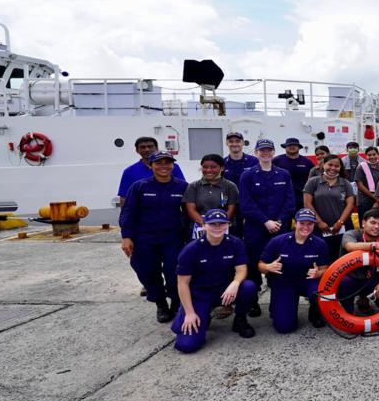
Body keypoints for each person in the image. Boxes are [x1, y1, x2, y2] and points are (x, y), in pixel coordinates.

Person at [171, 209, 261, 351]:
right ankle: (187, 313)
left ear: (227, 225)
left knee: (249, 287)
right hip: (200, 295)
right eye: (213, 224)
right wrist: (189, 313)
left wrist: (235, 283)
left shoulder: (235, 243)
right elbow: (182, 283)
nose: (217, 228)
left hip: (224, 292)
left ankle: (240, 320)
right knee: (187, 345)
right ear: (204, 225)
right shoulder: (191, 249)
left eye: (221, 224)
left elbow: (241, 269)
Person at [120, 150, 192, 323]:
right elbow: (128, 212)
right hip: (144, 238)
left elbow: (189, 214)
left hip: (173, 237)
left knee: (174, 271)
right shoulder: (139, 187)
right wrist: (126, 236)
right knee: (147, 270)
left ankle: (176, 302)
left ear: (173, 165)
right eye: (159, 163)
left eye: (168, 163)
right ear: (151, 165)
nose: (164, 166)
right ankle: (160, 303)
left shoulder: (182, 187)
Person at [238, 139, 298, 303]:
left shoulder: (283, 174)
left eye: (269, 150)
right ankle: (252, 301)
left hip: (280, 228)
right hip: (255, 229)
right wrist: (265, 221)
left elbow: (289, 202)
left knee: (280, 262)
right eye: (262, 150)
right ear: (256, 153)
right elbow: (246, 204)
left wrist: (278, 221)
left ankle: (279, 297)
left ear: (273, 152)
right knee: (254, 264)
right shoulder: (247, 175)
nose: (265, 153)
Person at [258, 210, 331, 333]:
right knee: (284, 327)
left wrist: (318, 273)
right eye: (302, 223)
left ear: (314, 225)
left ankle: (315, 311)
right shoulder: (278, 241)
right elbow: (260, 265)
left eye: (310, 224)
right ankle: (278, 306)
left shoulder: (320, 243)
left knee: (320, 292)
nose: (306, 227)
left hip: (308, 281)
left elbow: (326, 268)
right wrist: (269, 267)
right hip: (284, 283)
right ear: (295, 223)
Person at [335, 209, 379, 316]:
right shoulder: (350, 234)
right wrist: (375, 245)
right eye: (373, 223)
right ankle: (348, 310)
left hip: (369, 277)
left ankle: (363, 299)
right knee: (344, 284)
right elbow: (350, 246)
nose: (377, 227)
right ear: (363, 223)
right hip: (350, 277)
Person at [304, 156, 357, 253]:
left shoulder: (345, 183)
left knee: (342, 255)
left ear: (340, 168)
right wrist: (319, 222)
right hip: (319, 228)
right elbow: (307, 204)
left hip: (342, 227)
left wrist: (340, 222)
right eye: (330, 165)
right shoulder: (313, 182)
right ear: (323, 165)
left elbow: (350, 204)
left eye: (336, 166)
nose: (333, 168)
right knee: (321, 254)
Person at [116, 136, 186, 207]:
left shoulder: (173, 167)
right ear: (137, 150)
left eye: (150, 146)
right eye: (143, 147)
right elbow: (124, 197)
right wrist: (125, 216)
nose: (147, 149)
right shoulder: (129, 172)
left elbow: (184, 191)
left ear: (157, 148)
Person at [183, 155, 240, 232]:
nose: (208, 170)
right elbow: (191, 210)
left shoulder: (230, 186)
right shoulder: (193, 186)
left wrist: (218, 225)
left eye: (213, 167)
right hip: (200, 227)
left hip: (223, 227)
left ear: (222, 168)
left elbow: (231, 210)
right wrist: (205, 224)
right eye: (205, 167)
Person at [349, 144, 379, 219]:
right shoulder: (361, 167)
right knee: (364, 223)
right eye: (369, 155)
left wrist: (378, 201)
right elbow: (360, 186)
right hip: (364, 201)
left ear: (378, 155)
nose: (372, 157)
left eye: (374, 154)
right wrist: (374, 197)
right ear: (366, 156)